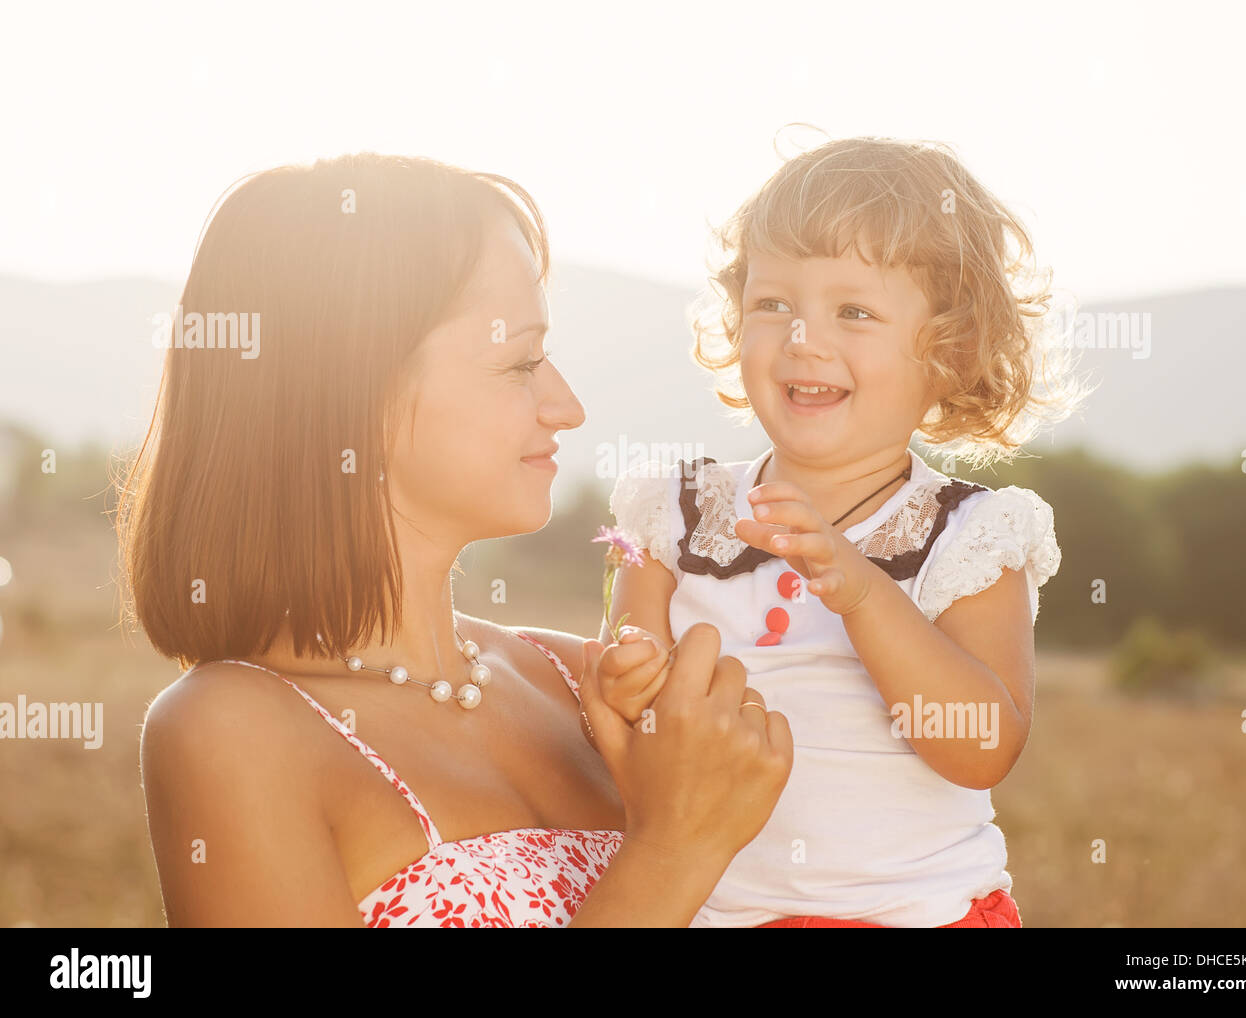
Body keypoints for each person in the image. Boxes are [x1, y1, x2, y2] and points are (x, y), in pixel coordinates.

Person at [121, 152, 793, 927]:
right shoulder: (232, 734)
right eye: (520, 363)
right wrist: (675, 851)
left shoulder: (581, 681)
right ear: (356, 391)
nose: (566, 406)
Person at [596, 136, 1089, 927]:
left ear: (951, 352)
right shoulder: (673, 513)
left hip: (915, 914)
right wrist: (627, 681)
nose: (802, 337)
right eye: (772, 303)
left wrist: (862, 592)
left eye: (853, 311)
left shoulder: (966, 536)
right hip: (710, 912)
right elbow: (629, 724)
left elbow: (983, 745)